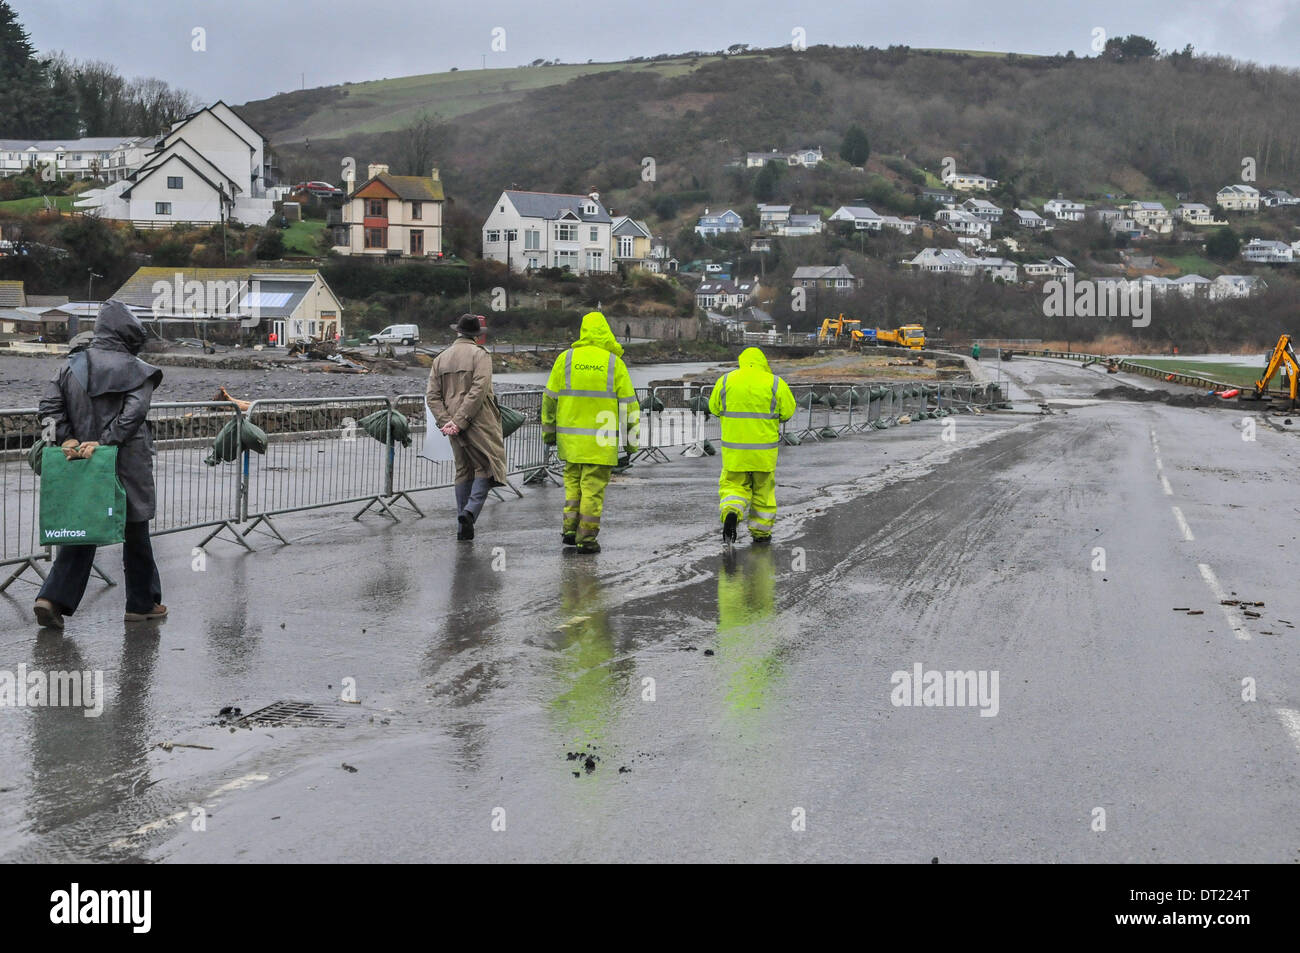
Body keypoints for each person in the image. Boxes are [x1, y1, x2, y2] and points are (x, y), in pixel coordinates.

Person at [33, 301, 166, 629]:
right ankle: (141, 603)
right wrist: (107, 442)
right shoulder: (139, 369)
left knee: (82, 529)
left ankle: (52, 597)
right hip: (127, 460)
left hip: (81, 458)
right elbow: (134, 413)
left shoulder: (69, 367)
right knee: (136, 529)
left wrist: (64, 439)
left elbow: (48, 407)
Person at [541, 312, 639, 554]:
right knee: (592, 490)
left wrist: (549, 434)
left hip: (570, 442)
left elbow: (549, 401)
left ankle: (570, 530)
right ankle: (587, 539)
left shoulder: (566, 359)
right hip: (600, 442)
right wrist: (630, 444)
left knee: (573, 486)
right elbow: (629, 406)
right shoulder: (614, 363)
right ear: (606, 331)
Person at [426, 314, 508, 541]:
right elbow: (479, 390)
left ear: (457, 332)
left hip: (452, 423)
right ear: (477, 336)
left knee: (463, 470)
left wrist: (447, 422)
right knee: (487, 467)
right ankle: (470, 512)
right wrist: (461, 420)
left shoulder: (440, 358)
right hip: (478, 421)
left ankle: (463, 528)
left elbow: (432, 396)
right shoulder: (480, 355)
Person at [708, 347, 796, 545]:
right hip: (764, 452)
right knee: (763, 491)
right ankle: (761, 533)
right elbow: (788, 412)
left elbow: (714, 408)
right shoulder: (774, 382)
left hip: (734, 451)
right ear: (763, 362)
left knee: (733, 486)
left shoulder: (725, 381)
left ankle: (732, 512)